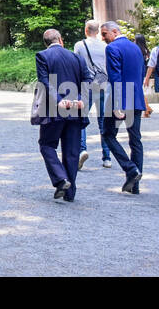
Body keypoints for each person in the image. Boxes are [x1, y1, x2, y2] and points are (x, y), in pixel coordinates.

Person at [34, 29, 91, 202]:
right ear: (61, 39)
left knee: (46, 145)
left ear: (46, 42)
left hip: (54, 110)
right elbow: (87, 80)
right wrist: (81, 100)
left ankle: (60, 179)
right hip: (76, 109)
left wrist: (59, 100)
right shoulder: (76, 57)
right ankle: (70, 193)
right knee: (72, 152)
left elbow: (45, 82)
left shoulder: (42, 56)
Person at [102, 21, 151, 194]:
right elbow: (140, 74)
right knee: (135, 140)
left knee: (108, 135)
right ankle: (135, 186)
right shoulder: (136, 48)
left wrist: (116, 104)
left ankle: (130, 169)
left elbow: (115, 77)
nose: (103, 38)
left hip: (121, 98)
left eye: (105, 34)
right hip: (135, 97)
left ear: (114, 32)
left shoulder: (112, 48)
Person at [71, 20, 113, 168]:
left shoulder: (79, 45)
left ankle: (82, 150)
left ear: (86, 30)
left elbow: (75, 64)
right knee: (103, 121)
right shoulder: (105, 46)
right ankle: (107, 157)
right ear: (98, 31)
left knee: (81, 118)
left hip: (86, 85)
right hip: (103, 85)